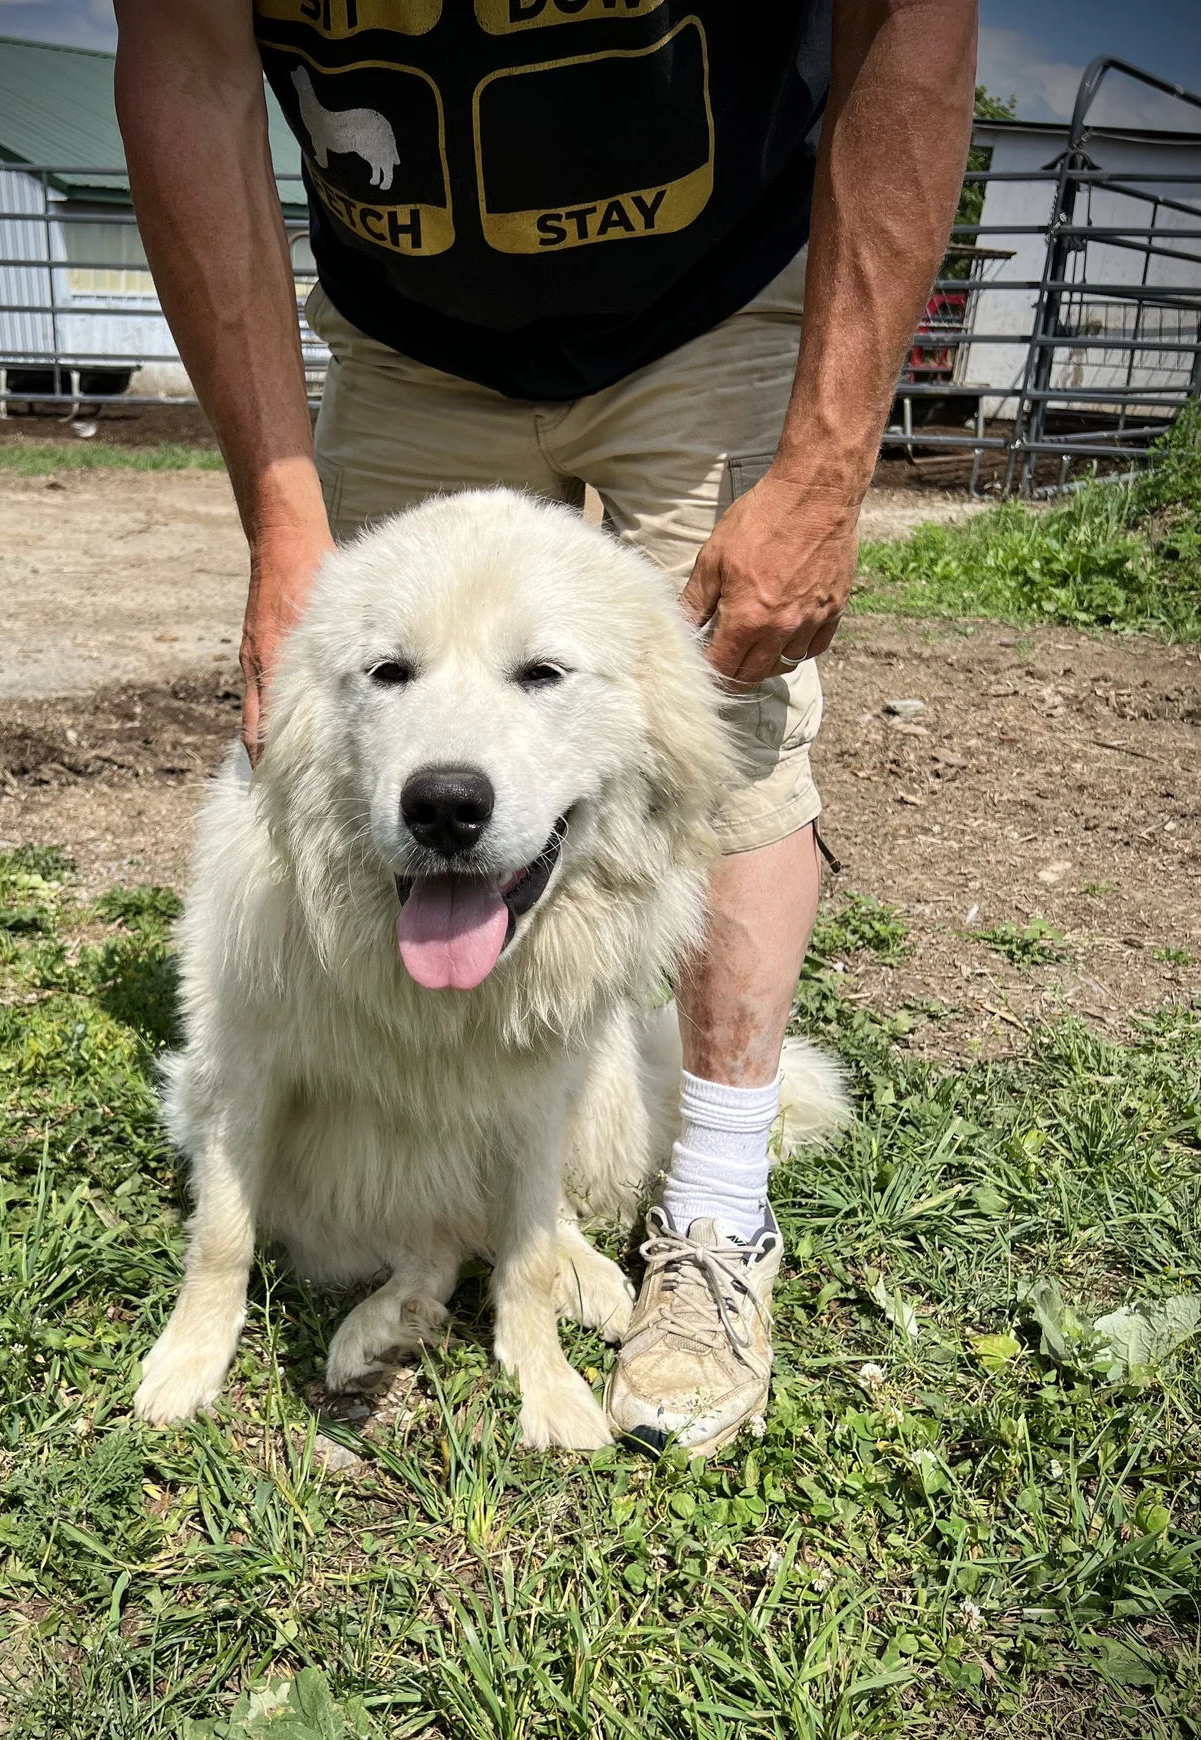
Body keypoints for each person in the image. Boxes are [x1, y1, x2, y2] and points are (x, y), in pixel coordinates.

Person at [113, 0, 976, 1456]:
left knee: (731, 744)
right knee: (351, 744)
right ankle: (435, 1177)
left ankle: (707, 1208)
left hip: (718, 292)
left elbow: (917, 24)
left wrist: (826, 466)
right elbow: (188, 67)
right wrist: (282, 526)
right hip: (408, 329)